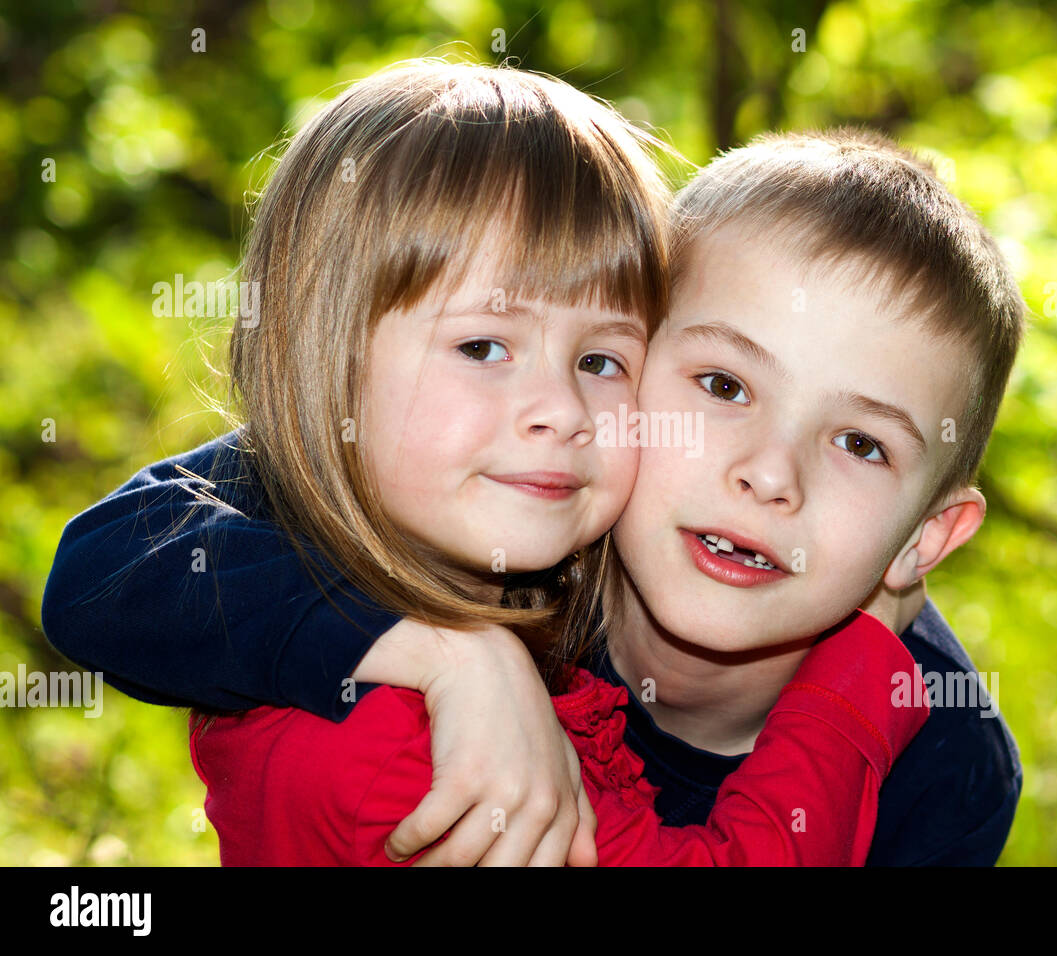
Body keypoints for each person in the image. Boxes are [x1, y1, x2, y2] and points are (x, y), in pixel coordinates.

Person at [40, 61, 929, 866]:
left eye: (600, 361)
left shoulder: (471, 520)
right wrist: (866, 664)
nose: (561, 411)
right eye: (482, 346)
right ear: (320, 361)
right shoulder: (402, 760)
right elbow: (107, 564)